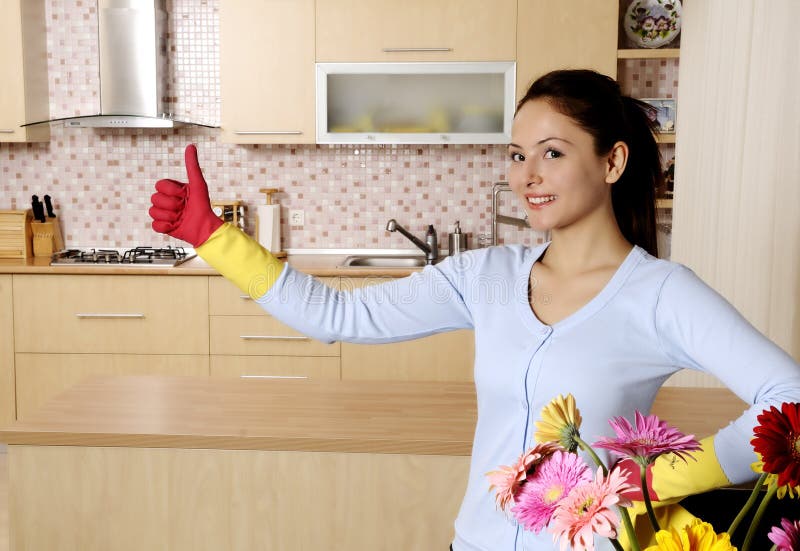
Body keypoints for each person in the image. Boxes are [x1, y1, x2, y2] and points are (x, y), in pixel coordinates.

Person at [149, 69, 800, 550]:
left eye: (553, 151)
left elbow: (791, 399)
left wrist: (659, 479)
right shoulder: (483, 276)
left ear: (612, 161)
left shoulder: (660, 293)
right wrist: (217, 238)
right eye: (518, 154)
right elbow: (336, 317)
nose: (527, 175)